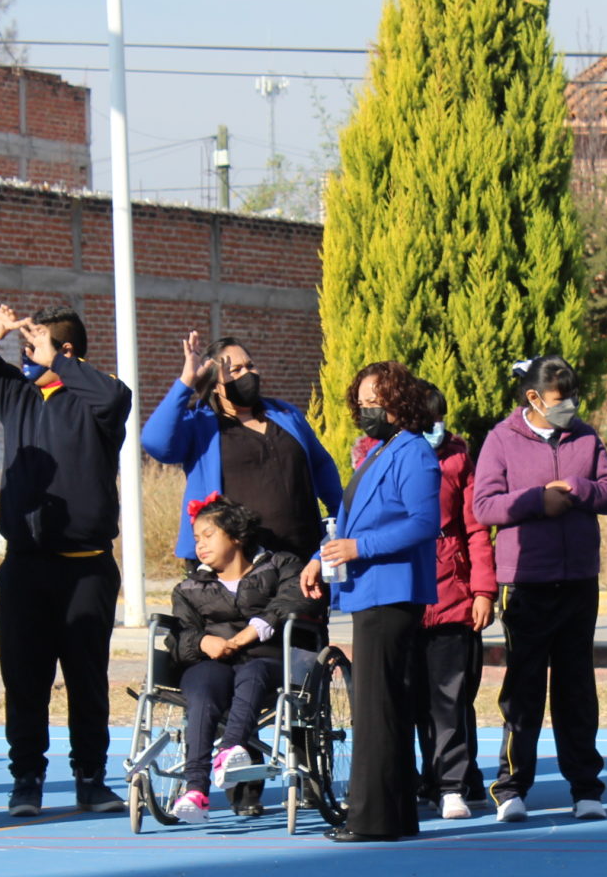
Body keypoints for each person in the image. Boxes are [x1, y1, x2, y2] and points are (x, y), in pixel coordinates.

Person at [0, 302, 131, 818]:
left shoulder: (96, 404)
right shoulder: (16, 394)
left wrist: (61, 361)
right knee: (25, 677)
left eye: (33, 347)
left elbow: (115, 394)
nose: (25, 355)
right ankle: (27, 779)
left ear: (66, 351)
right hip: (26, 567)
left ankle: (91, 778)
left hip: (86, 568)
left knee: (86, 677)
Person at [472, 357, 607, 822]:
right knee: (524, 687)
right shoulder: (501, 440)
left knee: (577, 687)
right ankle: (512, 787)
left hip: (578, 580)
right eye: (561, 400)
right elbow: (485, 505)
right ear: (533, 398)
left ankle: (586, 789)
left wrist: (578, 489)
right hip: (525, 583)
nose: (570, 408)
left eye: (573, 399)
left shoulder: (586, 436)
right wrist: (538, 501)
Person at [298, 361, 440, 843]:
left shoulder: (414, 453)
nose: (365, 409)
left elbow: (423, 523)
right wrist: (325, 557)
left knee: (377, 707)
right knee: (386, 706)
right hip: (369, 591)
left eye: (374, 400)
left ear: (399, 401)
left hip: (393, 592)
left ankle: (371, 819)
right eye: (360, 402)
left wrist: (360, 548)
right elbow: (349, 525)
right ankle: (394, 815)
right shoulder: (378, 452)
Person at [166, 496, 311, 823]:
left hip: (268, 660)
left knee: (254, 671)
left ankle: (231, 749)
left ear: (236, 536)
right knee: (202, 688)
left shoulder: (281, 565)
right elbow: (180, 636)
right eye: (196, 538)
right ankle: (196, 789)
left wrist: (255, 630)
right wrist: (204, 641)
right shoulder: (188, 588)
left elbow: (295, 600)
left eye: (208, 535)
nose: (200, 545)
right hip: (211, 663)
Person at [142, 331, 343, 564]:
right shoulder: (201, 424)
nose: (247, 373)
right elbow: (155, 443)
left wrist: (339, 514)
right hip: (237, 565)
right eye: (235, 370)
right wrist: (186, 382)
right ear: (215, 385)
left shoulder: (284, 414)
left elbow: (320, 464)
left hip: (302, 558)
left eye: (250, 366)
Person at [404, 387, 495, 817]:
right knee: (413, 697)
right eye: (426, 419)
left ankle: (454, 783)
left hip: (452, 592)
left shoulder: (459, 457)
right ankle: (425, 777)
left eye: (440, 418)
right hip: (403, 592)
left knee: (451, 696)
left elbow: (476, 528)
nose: (435, 427)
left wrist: (483, 590)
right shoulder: (380, 454)